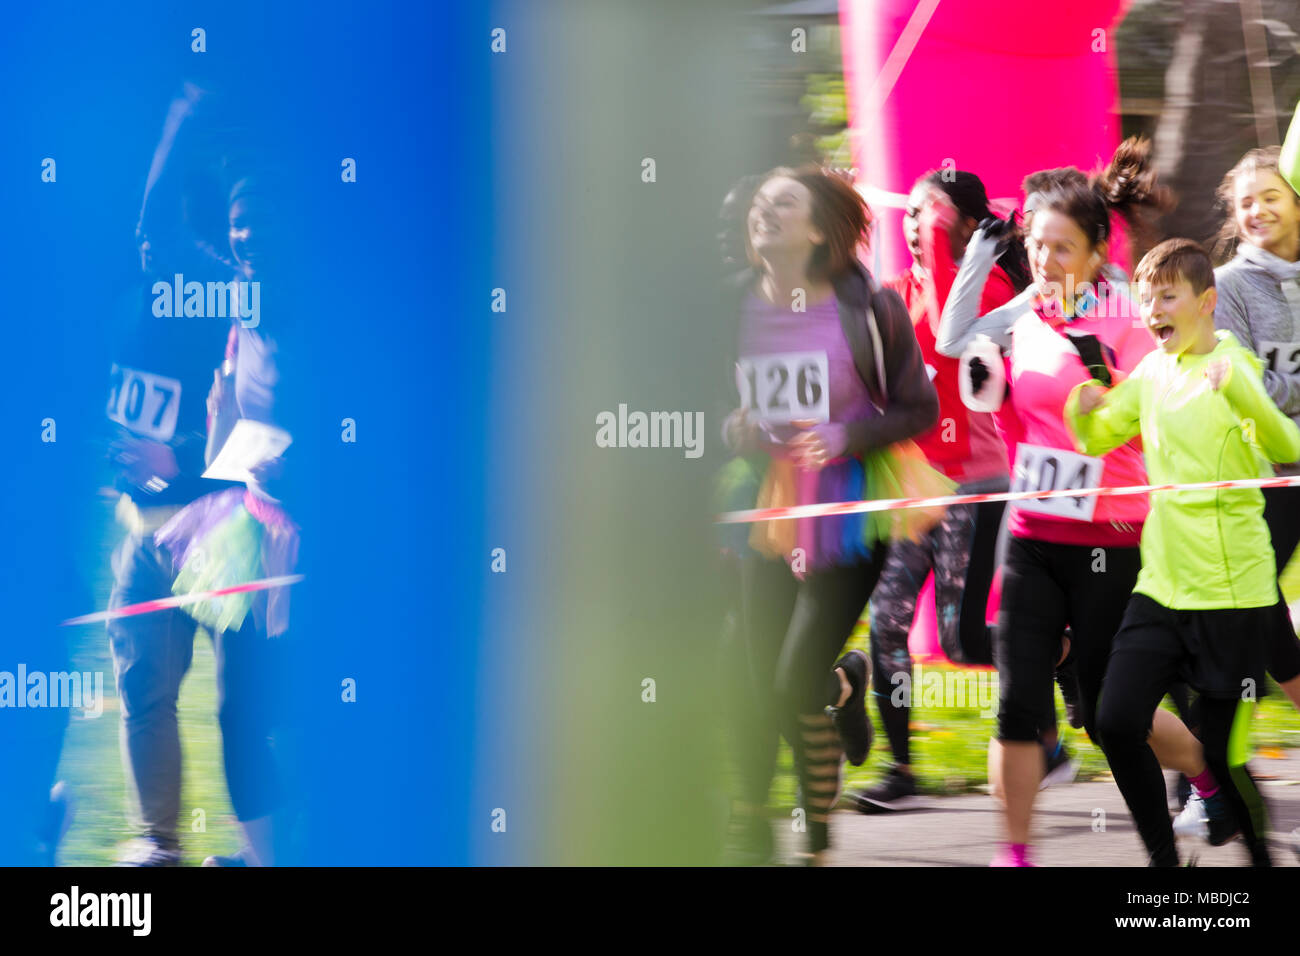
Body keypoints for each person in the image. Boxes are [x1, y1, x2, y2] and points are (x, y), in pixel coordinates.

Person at [936, 138, 1210, 865]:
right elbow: (961, 351)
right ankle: (1016, 855)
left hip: (1111, 537)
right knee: (1016, 706)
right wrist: (992, 389)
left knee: (1104, 714)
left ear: (1096, 252)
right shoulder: (1026, 316)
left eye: (1062, 248)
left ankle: (1208, 779)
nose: (1046, 263)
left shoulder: (1129, 319)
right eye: (1034, 246)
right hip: (1030, 532)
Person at [721, 165, 941, 863]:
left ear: (818, 229)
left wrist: (847, 434)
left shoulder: (870, 308)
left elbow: (920, 408)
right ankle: (840, 690)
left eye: (783, 203)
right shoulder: (733, 308)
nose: (765, 212)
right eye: (759, 203)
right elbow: (705, 404)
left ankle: (815, 843)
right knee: (757, 687)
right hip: (773, 507)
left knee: (789, 687)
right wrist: (733, 429)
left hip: (852, 509)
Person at [1071, 238, 1299, 866]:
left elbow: (1285, 441)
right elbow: (1096, 435)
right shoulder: (1150, 371)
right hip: (1164, 584)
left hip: (1234, 592)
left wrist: (1242, 395)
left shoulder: (1234, 364)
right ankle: (1168, 868)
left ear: (1206, 302)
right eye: (1145, 300)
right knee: (1113, 718)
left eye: (1166, 297)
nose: (1152, 311)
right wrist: (1084, 400)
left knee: (1224, 759)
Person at [855, 169, 1061, 813]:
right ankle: (902, 771)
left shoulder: (989, 286)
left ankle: (1053, 705)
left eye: (933, 213)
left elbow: (951, 346)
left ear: (965, 226)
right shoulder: (896, 290)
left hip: (974, 485)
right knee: (885, 625)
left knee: (962, 638)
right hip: (914, 489)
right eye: (913, 214)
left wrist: (948, 250)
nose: (917, 224)